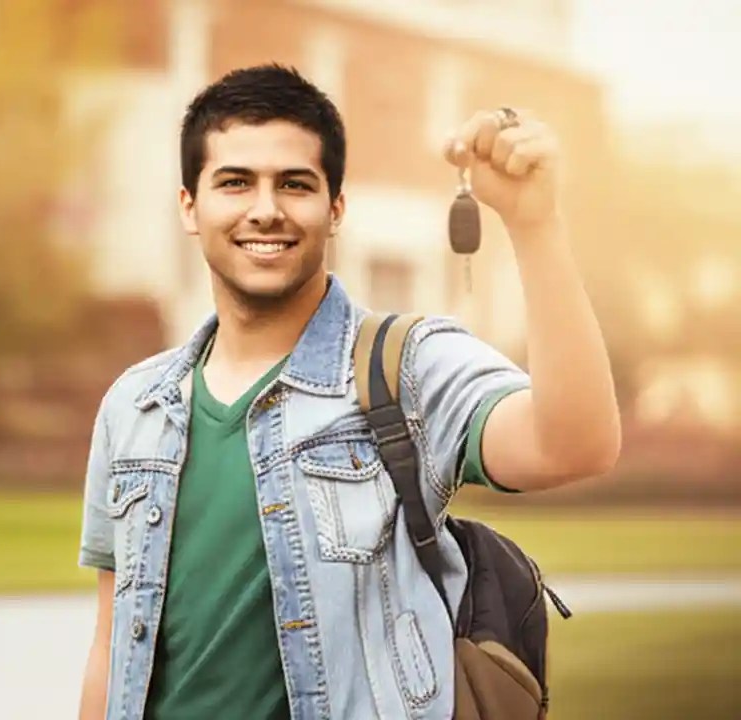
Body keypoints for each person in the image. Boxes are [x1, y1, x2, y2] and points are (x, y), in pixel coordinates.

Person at [75, 64, 621, 720]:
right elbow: (112, 644)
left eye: (295, 184)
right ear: (190, 206)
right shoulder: (134, 407)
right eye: (235, 182)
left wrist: (536, 227)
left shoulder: (406, 367)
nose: (266, 208)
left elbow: (574, 445)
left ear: (336, 207)